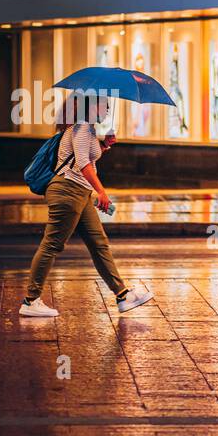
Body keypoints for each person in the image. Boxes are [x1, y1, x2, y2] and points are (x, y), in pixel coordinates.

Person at [20, 94, 153, 318]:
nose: (108, 110)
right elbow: (82, 164)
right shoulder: (81, 127)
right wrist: (101, 191)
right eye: (104, 105)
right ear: (91, 106)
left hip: (79, 193)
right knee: (52, 244)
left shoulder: (88, 130)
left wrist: (104, 145)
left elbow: (87, 158)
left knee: (98, 243)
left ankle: (122, 295)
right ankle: (30, 301)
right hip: (67, 191)